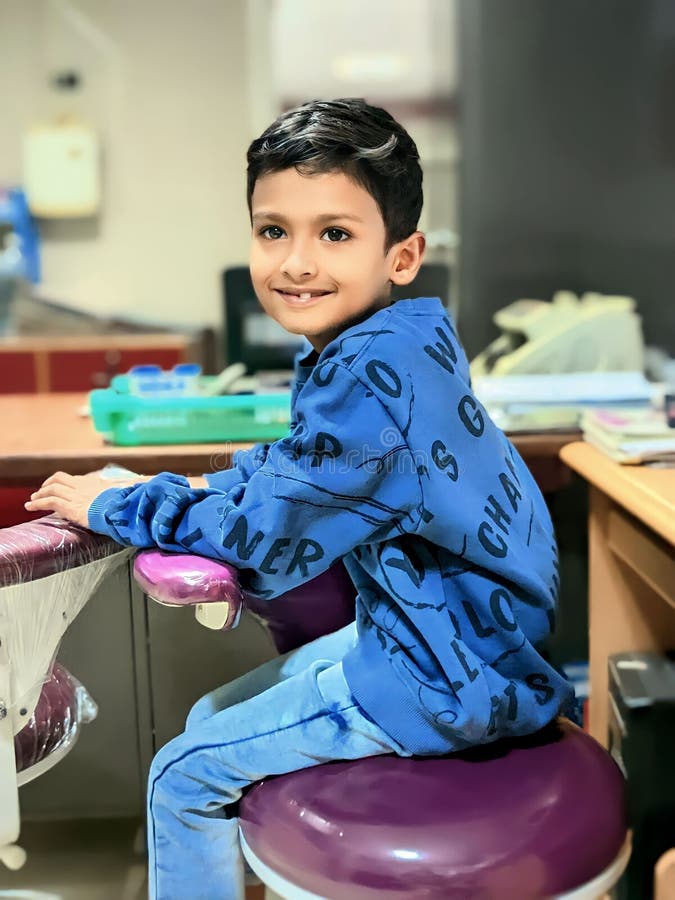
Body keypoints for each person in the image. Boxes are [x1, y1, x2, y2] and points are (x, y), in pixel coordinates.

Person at [26, 98, 574, 900]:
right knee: (211, 712)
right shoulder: (405, 339)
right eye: (272, 230)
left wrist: (118, 506)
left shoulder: (363, 379)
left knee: (178, 775)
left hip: (442, 677)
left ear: (403, 253)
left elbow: (261, 537)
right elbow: (302, 465)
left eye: (335, 234)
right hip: (475, 648)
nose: (295, 263)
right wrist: (190, 484)